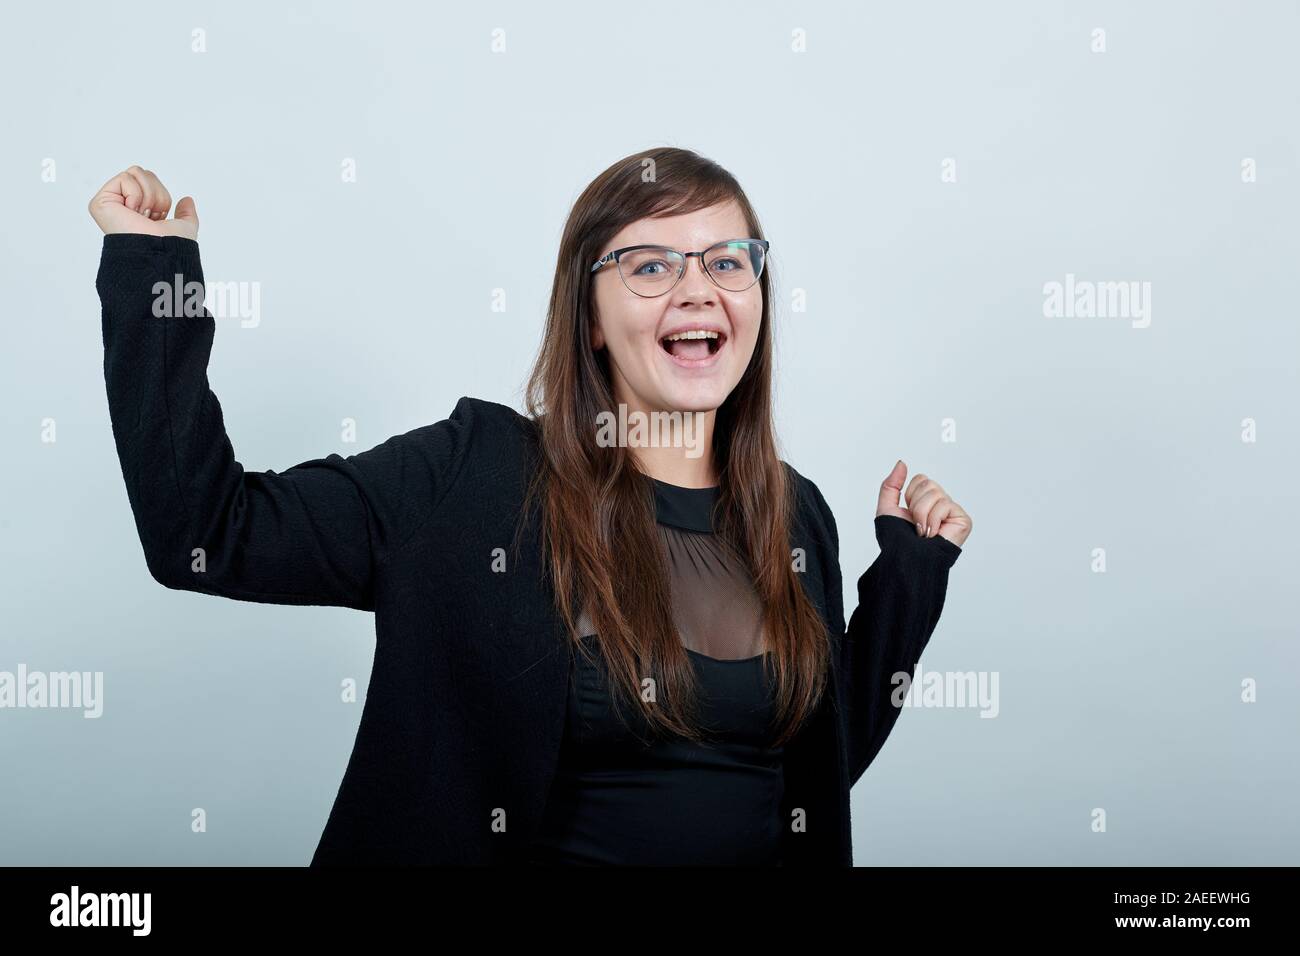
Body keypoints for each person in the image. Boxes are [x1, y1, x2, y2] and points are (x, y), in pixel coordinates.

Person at [89, 147, 972, 866]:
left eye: (728, 263)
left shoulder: (791, 511)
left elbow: (814, 770)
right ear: (589, 317)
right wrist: (152, 276)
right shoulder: (472, 476)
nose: (699, 289)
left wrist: (908, 581)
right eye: (652, 265)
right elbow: (205, 535)